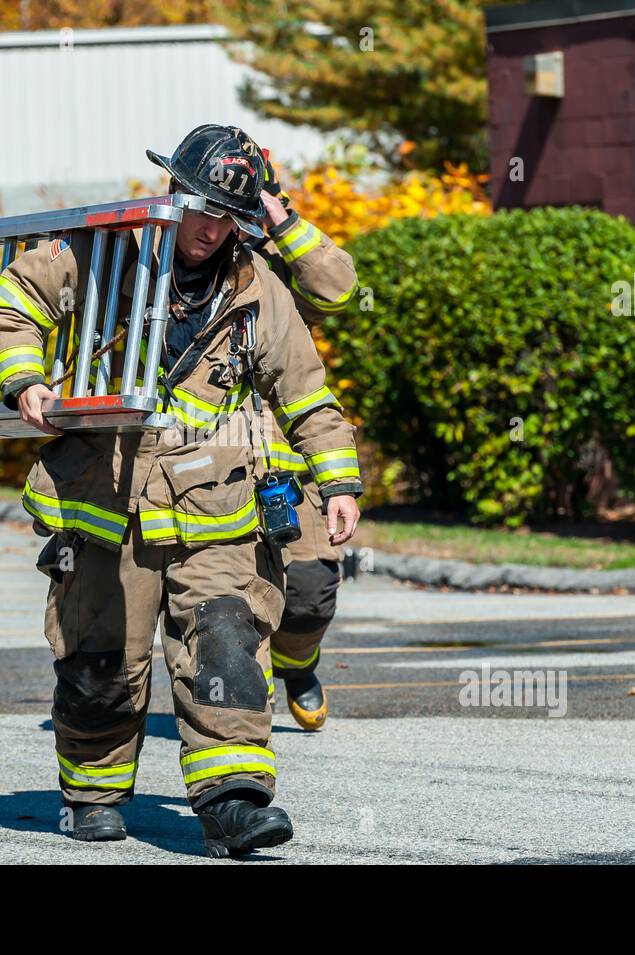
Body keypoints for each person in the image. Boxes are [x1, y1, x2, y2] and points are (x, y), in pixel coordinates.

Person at [0, 125, 363, 858]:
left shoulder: (258, 289)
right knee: (101, 661)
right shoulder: (104, 249)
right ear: (173, 191)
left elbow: (307, 394)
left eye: (227, 215)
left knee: (225, 641)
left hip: (213, 505)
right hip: (104, 499)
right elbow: (12, 302)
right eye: (200, 205)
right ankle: (91, 793)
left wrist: (337, 481)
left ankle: (235, 804)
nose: (209, 226)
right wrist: (25, 375)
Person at [246, 148, 359, 730]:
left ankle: (300, 661)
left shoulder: (278, 250)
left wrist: (280, 223)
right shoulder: (176, 247)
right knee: (232, 589)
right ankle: (246, 686)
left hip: (290, 459)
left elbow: (337, 288)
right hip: (210, 456)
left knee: (311, 590)